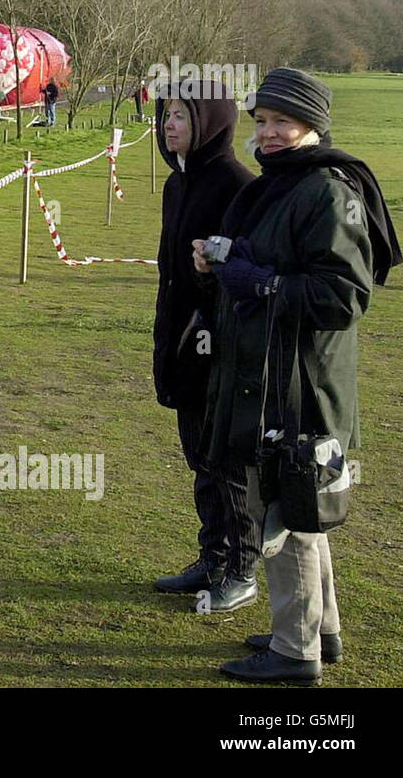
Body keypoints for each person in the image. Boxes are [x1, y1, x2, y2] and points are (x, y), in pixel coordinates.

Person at [196, 68, 401, 683]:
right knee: (304, 508)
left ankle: (294, 650)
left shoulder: (325, 191)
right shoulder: (280, 185)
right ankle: (323, 630)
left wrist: (259, 281)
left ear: (313, 126)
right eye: (261, 121)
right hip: (275, 376)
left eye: (284, 122)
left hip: (299, 386)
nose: (270, 133)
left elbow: (342, 297)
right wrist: (224, 263)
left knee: (284, 516)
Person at [152, 79, 259, 611]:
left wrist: (214, 280)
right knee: (199, 457)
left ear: (210, 121)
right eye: (167, 114)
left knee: (226, 462)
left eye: (182, 116)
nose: (171, 124)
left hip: (222, 348)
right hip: (182, 344)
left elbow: (247, 274)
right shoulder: (178, 183)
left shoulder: (236, 183)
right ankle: (211, 558)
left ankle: (241, 569)